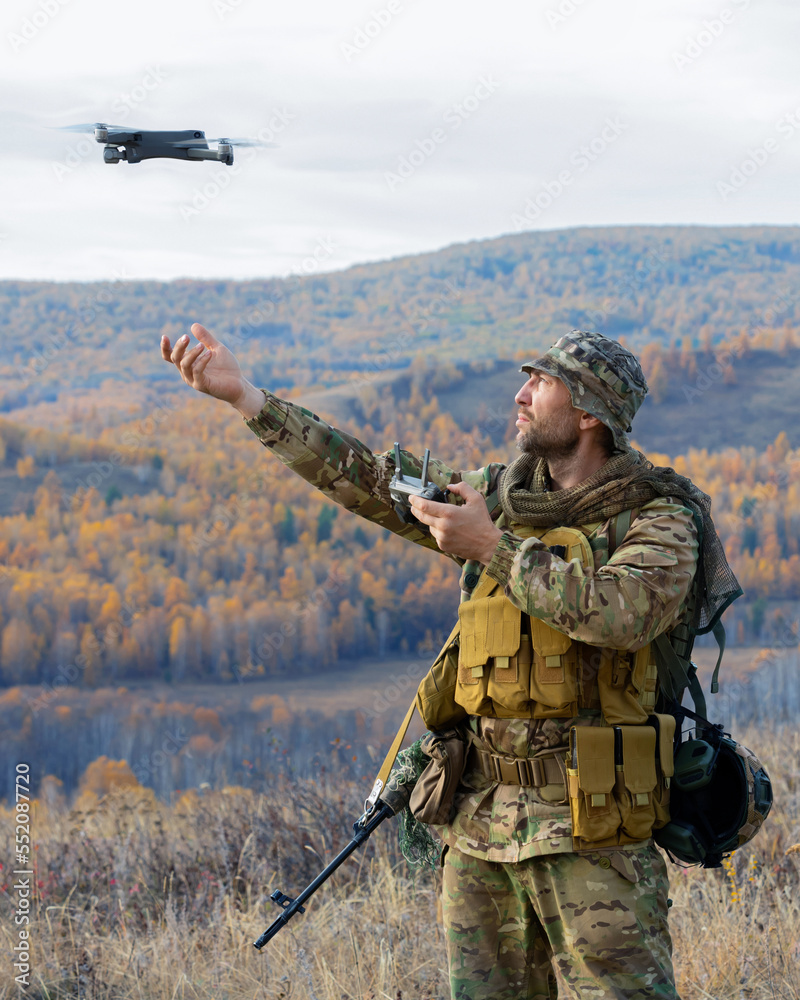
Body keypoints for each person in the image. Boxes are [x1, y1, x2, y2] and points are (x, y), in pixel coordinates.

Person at [161, 325, 741, 999]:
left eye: (542, 383)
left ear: (590, 414)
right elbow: (370, 480)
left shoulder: (659, 517)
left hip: (596, 831)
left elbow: (621, 612)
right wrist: (248, 399)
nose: (521, 395)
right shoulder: (501, 495)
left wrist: (492, 548)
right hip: (480, 824)